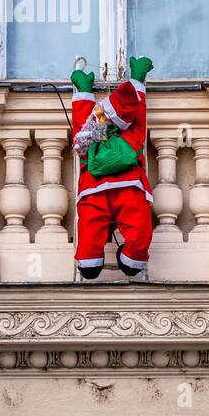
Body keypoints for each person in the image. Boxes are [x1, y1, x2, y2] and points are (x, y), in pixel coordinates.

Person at [69, 55, 154, 279]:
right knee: (137, 230)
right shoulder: (125, 133)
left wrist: (83, 91)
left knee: (95, 226)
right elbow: (139, 113)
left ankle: (90, 261)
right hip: (116, 189)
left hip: (105, 189)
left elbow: (81, 126)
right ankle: (126, 258)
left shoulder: (95, 133)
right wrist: (137, 79)